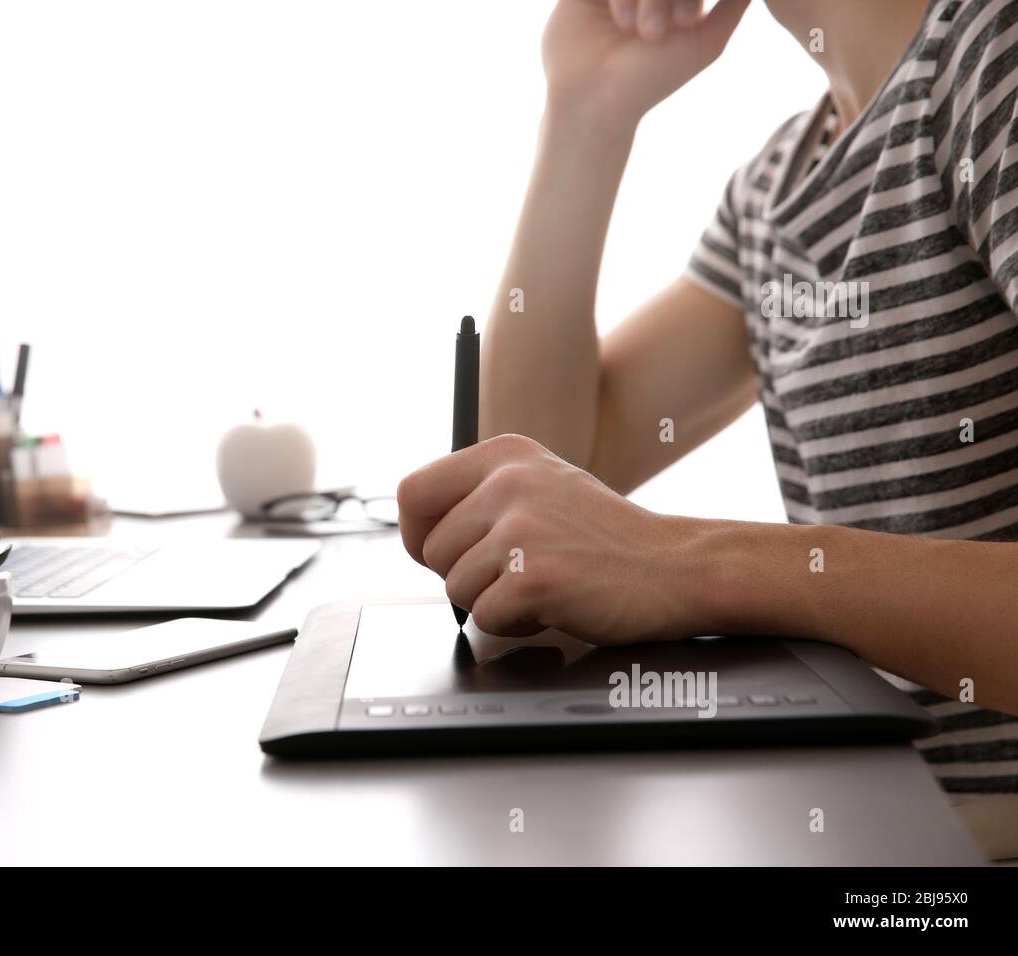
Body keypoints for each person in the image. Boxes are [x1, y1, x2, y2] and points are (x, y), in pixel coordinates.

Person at [396, 0, 1018, 856]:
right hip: (876, 821)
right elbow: (538, 477)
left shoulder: (993, 63)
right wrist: (587, 109)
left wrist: (691, 565)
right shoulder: (775, 186)